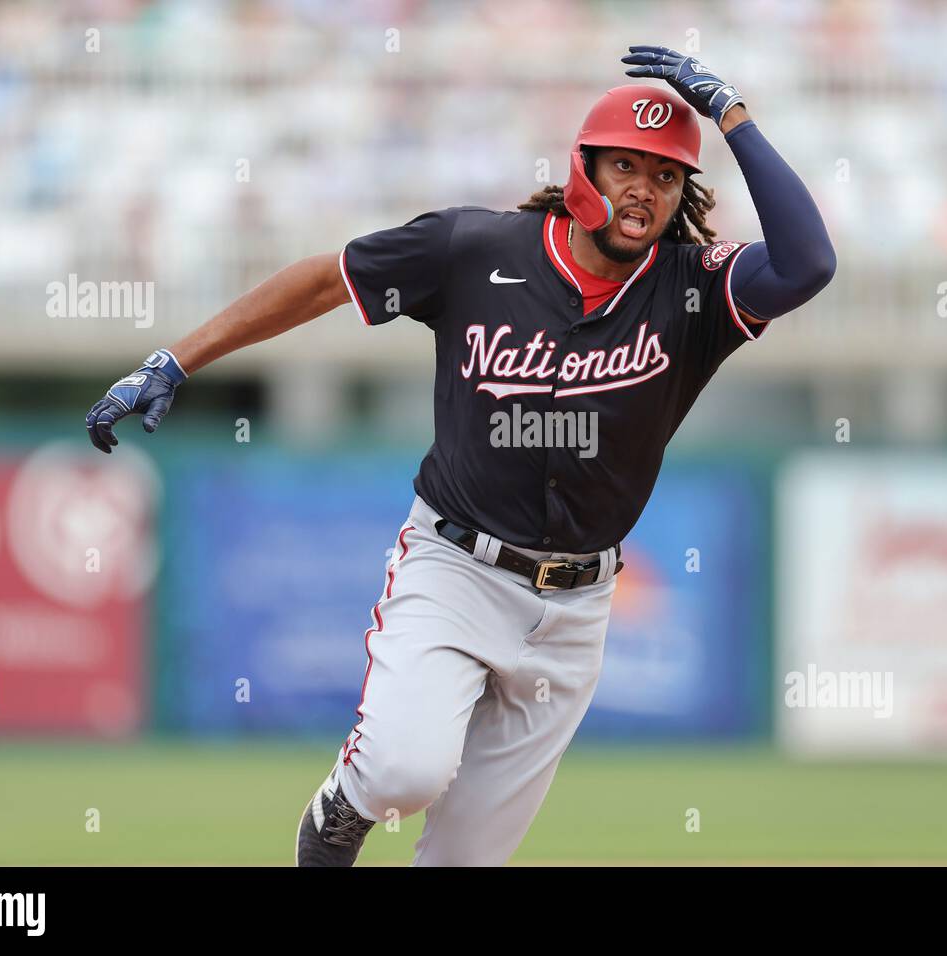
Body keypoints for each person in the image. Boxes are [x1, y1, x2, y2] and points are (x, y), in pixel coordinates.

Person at [85, 46, 836, 866]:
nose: (644, 190)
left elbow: (809, 263)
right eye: (626, 165)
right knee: (403, 772)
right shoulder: (475, 249)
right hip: (457, 567)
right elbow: (325, 281)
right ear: (582, 170)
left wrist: (733, 114)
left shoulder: (693, 289)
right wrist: (176, 360)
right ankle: (343, 806)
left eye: (665, 177)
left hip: (579, 608)